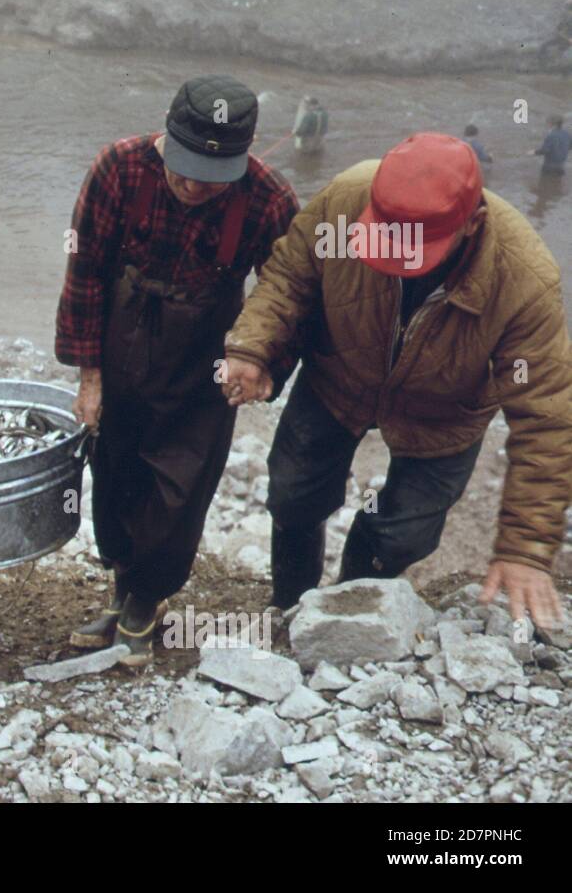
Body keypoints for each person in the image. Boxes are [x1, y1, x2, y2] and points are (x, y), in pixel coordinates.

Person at [223, 133, 572, 633]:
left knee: (403, 535)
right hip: (340, 375)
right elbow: (289, 279)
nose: (398, 257)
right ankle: (291, 603)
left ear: (472, 223)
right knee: (293, 496)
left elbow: (548, 417)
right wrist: (253, 348)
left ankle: (352, 605)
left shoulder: (524, 278)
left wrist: (525, 547)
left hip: (446, 411)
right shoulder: (346, 198)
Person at [55, 75, 299, 667]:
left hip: (204, 362)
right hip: (122, 344)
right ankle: (120, 590)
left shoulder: (269, 199)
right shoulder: (118, 168)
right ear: (166, 138)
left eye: (211, 178)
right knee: (113, 477)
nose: (192, 186)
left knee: (177, 492)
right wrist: (90, 378)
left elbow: (290, 290)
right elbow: (84, 270)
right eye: (183, 168)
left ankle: (147, 599)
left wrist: (263, 362)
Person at [536, 0, 572, 65]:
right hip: (565, 39)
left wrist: (568, 38)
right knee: (549, 47)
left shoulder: (566, 18)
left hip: (565, 39)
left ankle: (543, 63)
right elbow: (559, 29)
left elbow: (559, 30)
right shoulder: (566, 18)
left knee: (544, 46)